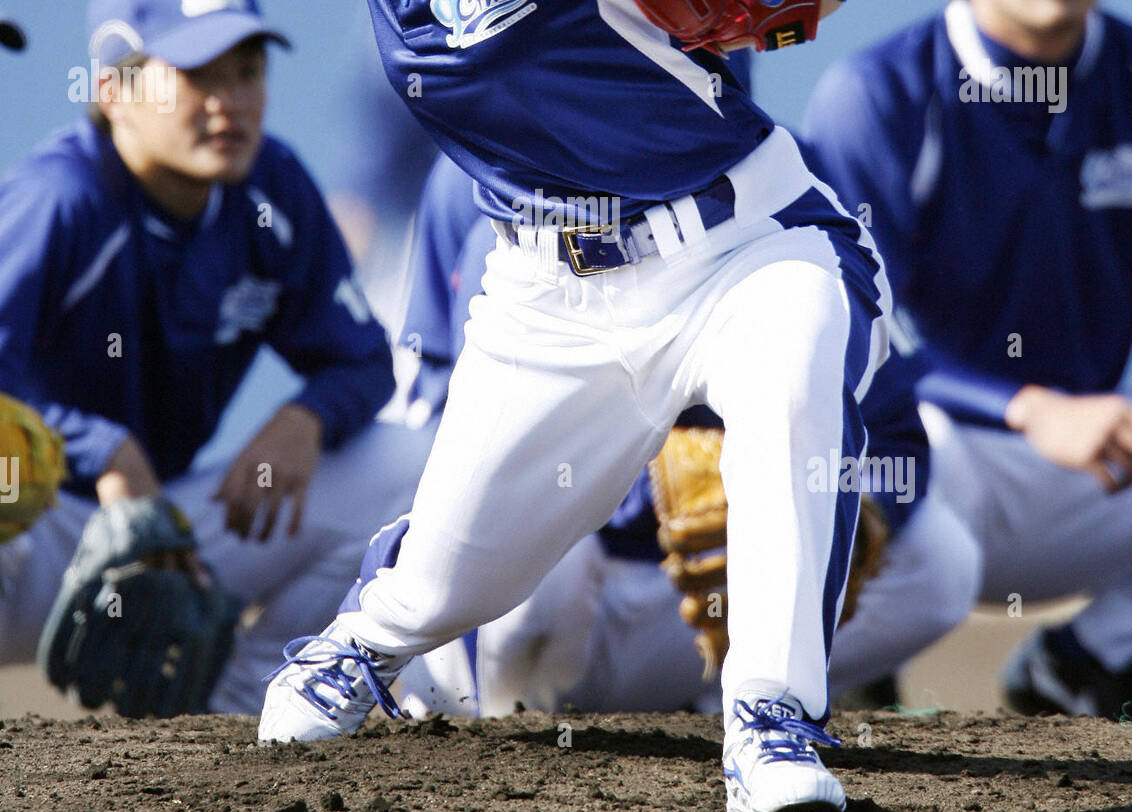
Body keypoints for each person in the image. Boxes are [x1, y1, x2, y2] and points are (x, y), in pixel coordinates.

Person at [32, 0, 891, 812]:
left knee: (791, 393)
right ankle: (358, 644)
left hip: (744, 243)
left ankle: (772, 716)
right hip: (549, 294)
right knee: (452, 576)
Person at [392, 153, 979, 719]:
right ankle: (495, 721)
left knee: (939, 558)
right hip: (571, 590)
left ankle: (733, 699)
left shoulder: (790, 178)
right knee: (518, 543)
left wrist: (858, 512)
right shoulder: (489, 184)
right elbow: (457, 436)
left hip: (689, 605)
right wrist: (643, 475)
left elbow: (898, 427)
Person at [0, 0, 431, 713]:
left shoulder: (270, 189)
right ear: (115, 89)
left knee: (404, 459)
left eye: (247, 71)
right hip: (37, 532)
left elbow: (361, 362)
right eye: (197, 75)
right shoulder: (60, 200)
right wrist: (104, 451)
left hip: (165, 529)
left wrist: (306, 418)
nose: (230, 101)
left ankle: (240, 705)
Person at [803, 0, 1132, 719]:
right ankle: (827, 671)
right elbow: (861, 330)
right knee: (874, 460)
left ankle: (1082, 669)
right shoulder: (880, 96)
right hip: (937, 457)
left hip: (1086, 462)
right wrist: (1028, 405)